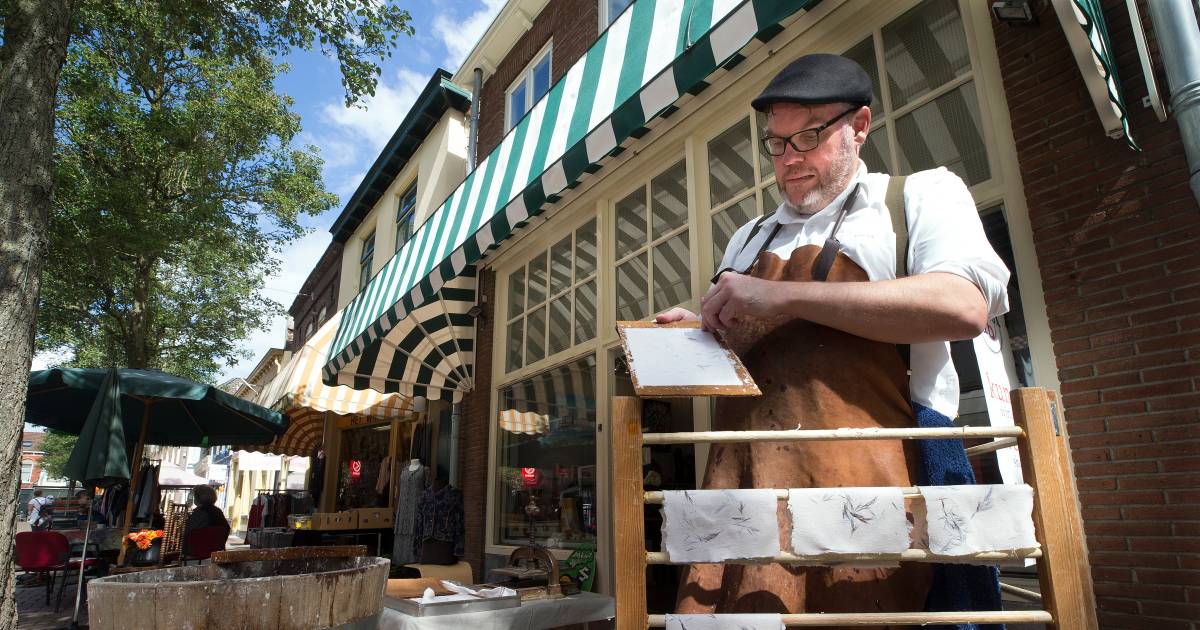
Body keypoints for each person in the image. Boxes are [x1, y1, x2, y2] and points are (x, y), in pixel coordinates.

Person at [655, 54, 1010, 616]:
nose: (790, 160)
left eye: (810, 138)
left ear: (860, 126)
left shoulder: (917, 198)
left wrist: (780, 295)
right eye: (777, 143)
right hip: (743, 492)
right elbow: (755, 352)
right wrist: (701, 331)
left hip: (870, 496)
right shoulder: (748, 238)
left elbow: (961, 305)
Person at [183, 484, 230, 556]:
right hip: (215, 548)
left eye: (194, 496)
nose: (193, 498)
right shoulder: (218, 511)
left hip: (195, 549)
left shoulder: (200, 512)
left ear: (198, 498)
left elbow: (186, 530)